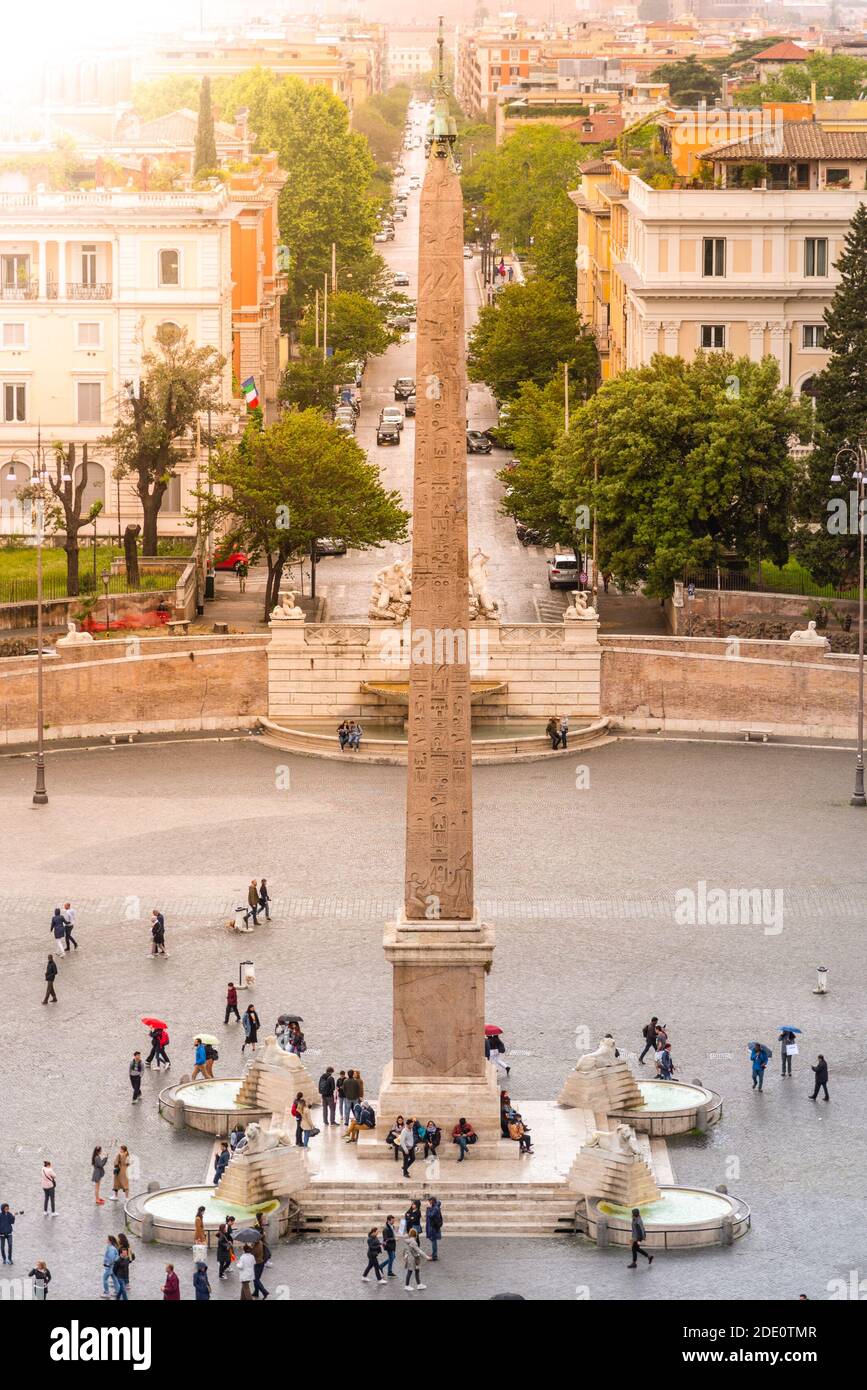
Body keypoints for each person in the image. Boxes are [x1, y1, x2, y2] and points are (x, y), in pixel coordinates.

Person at [251, 1232, 270, 1299]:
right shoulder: (259, 1243)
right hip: (260, 1263)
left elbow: (252, 1254)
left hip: (258, 1264)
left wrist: (248, 1248)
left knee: (255, 1279)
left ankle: (264, 1292)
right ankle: (256, 1292)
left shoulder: (257, 1246)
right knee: (256, 1278)